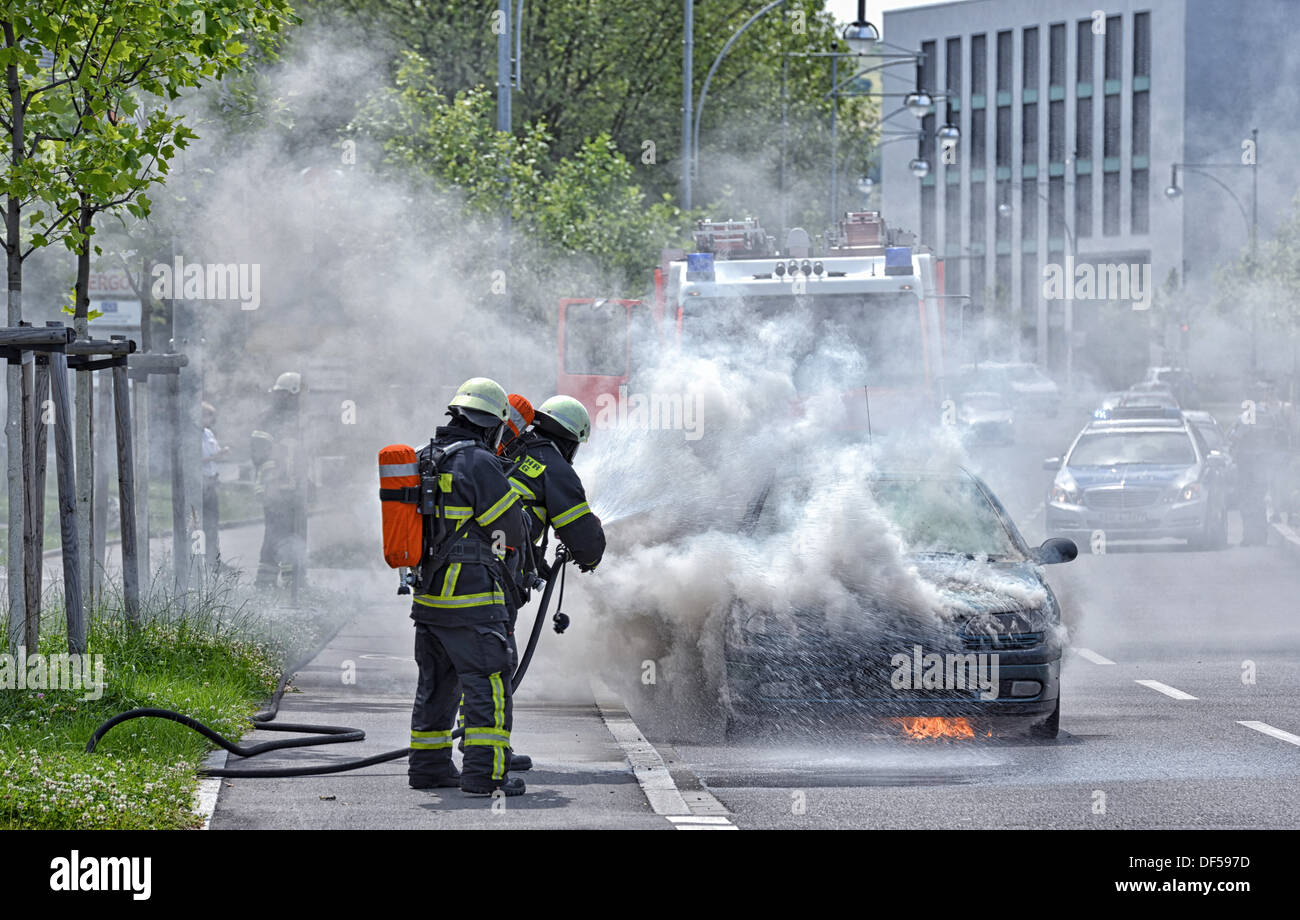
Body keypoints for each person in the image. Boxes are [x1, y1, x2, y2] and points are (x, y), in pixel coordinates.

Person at [408, 377, 528, 796]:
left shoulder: (426, 457)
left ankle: (428, 767)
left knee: (436, 683)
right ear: (490, 424)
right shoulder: (478, 462)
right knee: (487, 681)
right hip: (472, 600)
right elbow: (510, 527)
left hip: (428, 598)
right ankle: (484, 774)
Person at [504, 395, 606, 576]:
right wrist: (591, 558)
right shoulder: (556, 469)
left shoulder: (514, 446)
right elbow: (585, 542)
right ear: (570, 439)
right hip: (499, 566)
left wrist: (531, 557)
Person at [251, 372, 304, 588]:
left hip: (289, 489)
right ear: (290, 394)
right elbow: (260, 455)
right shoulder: (270, 419)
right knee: (278, 532)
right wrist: (276, 480)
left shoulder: (292, 419)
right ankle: (270, 582)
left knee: (286, 533)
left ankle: (283, 581)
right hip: (275, 489)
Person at [201, 402, 231, 564]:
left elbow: (214, 454)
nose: (211, 420)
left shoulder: (208, 434)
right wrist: (214, 458)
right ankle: (198, 559)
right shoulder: (192, 435)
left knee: (212, 523)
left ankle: (214, 559)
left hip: (211, 482)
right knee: (198, 523)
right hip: (200, 483)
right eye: (208, 416)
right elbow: (194, 459)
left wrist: (222, 453)